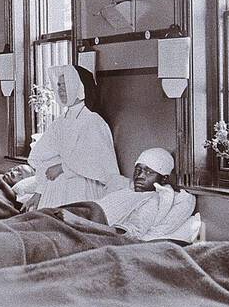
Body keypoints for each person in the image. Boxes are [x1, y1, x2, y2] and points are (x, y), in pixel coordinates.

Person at [25, 65, 121, 209]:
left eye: (65, 84)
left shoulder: (93, 121)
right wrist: (39, 192)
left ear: (79, 87)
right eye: (58, 85)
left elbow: (98, 162)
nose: (61, 89)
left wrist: (63, 167)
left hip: (83, 188)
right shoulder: (59, 121)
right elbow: (43, 156)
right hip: (54, 188)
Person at [92, 147, 197, 241]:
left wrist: (93, 230)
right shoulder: (127, 191)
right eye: (137, 170)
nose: (139, 176)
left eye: (148, 172)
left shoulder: (153, 200)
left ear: (164, 179)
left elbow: (132, 231)